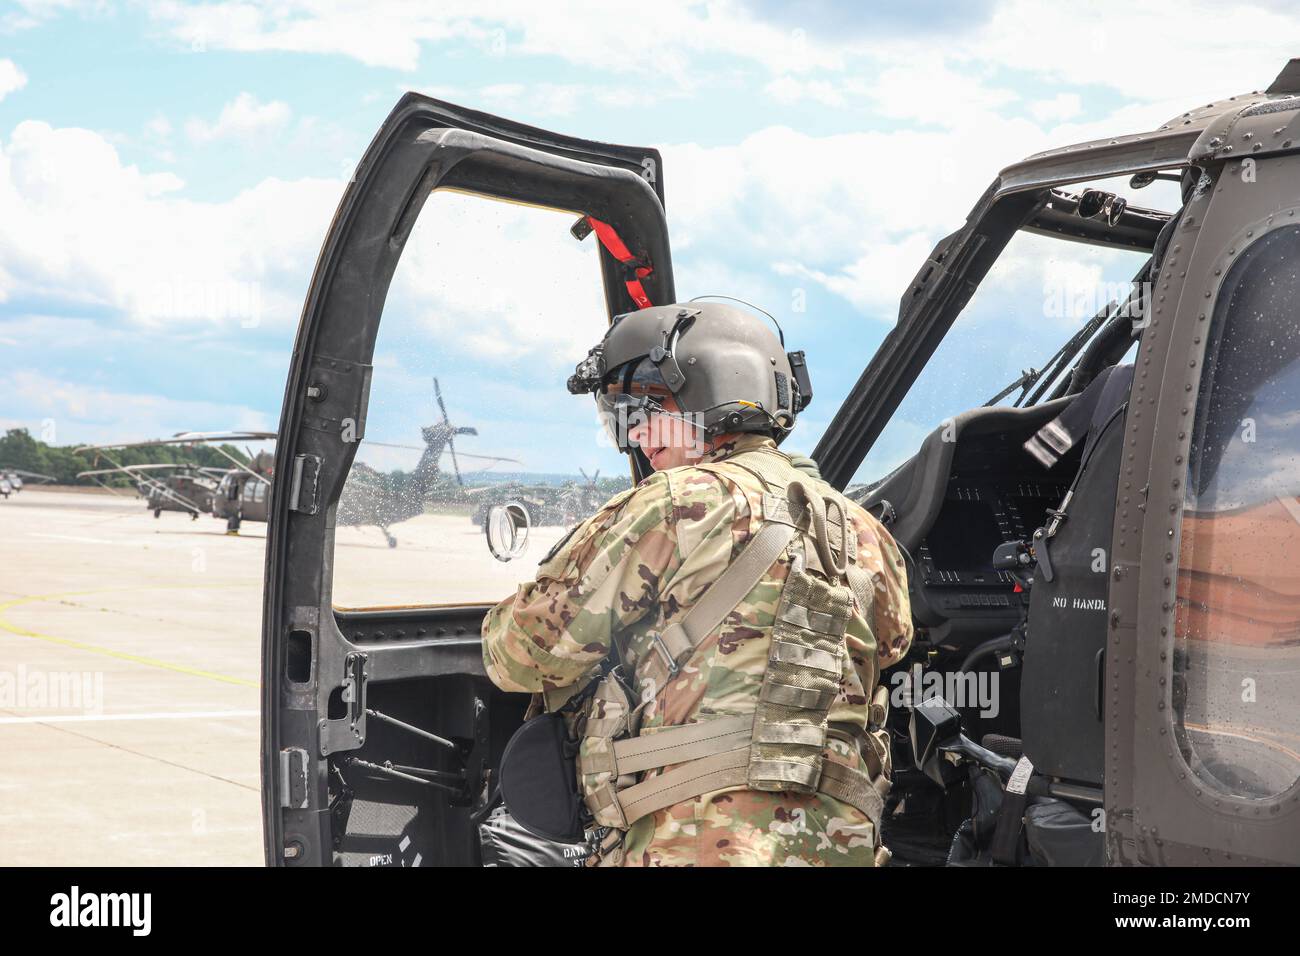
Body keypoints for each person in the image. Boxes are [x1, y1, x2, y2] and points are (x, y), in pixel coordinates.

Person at [481, 300, 912, 866]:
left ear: (709, 393)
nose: (636, 437)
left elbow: (521, 654)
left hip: (695, 841)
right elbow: (892, 647)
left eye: (644, 411)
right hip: (842, 847)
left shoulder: (676, 502)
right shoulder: (863, 530)